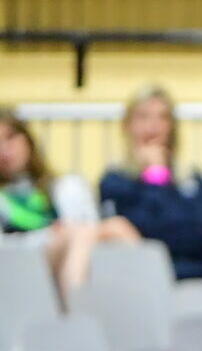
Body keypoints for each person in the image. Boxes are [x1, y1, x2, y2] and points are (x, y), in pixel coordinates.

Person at [0, 107, 138, 299]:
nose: (4, 149)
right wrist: (51, 235)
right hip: (19, 263)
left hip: (69, 248)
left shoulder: (63, 186)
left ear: (27, 140)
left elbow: (89, 227)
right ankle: (76, 308)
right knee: (77, 233)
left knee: (118, 226)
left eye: (10, 137)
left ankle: (143, 304)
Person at [99, 85, 202, 281]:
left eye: (162, 117)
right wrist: (155, 176)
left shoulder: (191, 179)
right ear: (127, 125)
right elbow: (149, 233)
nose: (153, 126)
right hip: (136, 278)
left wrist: (160, 176)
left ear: (172, 127)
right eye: (143, 116)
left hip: (190, 276)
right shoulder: (115, 181)